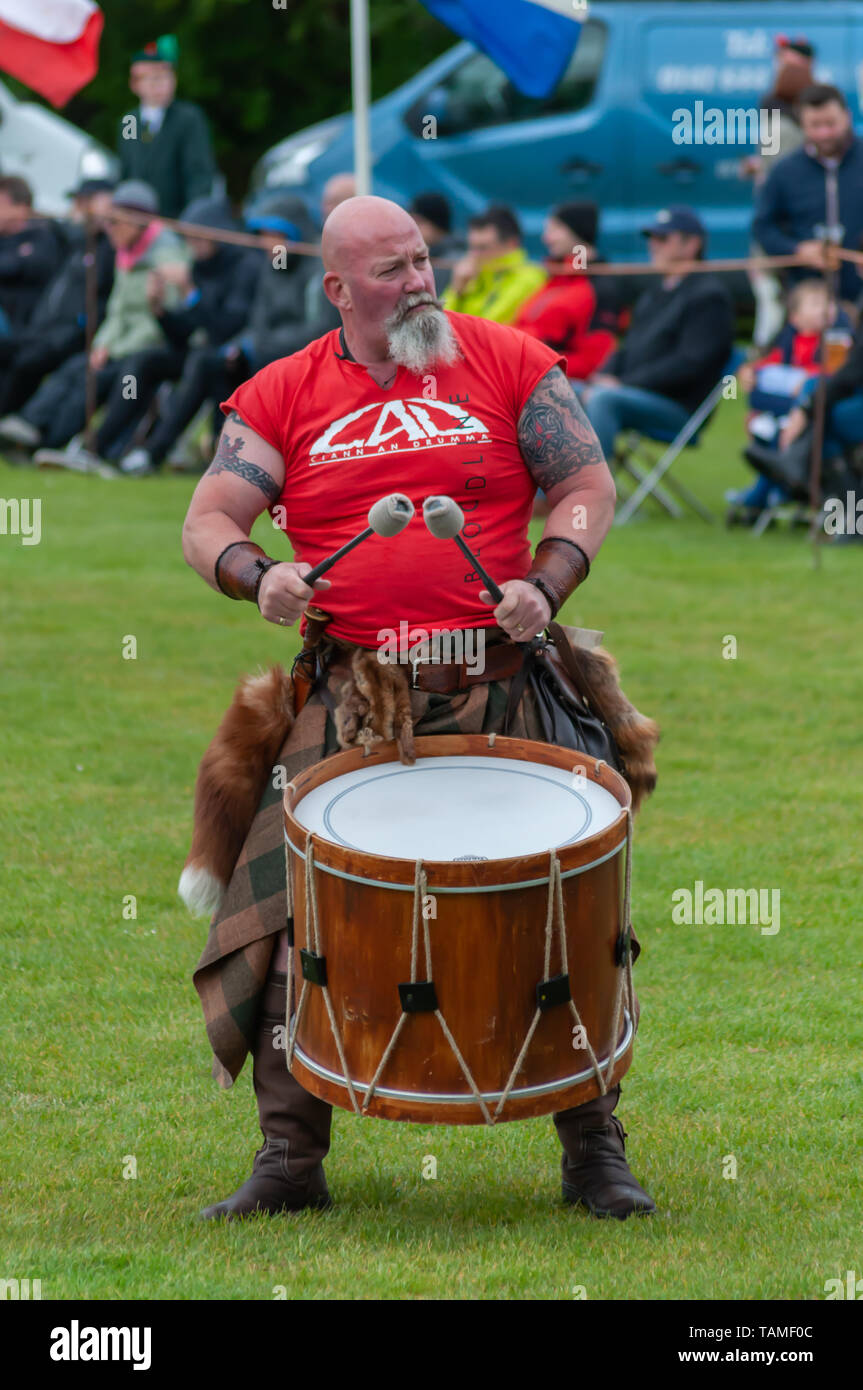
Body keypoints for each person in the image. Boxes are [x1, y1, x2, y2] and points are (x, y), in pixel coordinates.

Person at [181, 194, 657, 1223]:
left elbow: (584, 482)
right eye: (393, 270)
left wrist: (551, 574)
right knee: (283, 922)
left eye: (424, 259)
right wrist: (251, 572)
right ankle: (288, 1160)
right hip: (353, 694)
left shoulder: (508, 361)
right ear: (337, 289)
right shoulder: (281, 393)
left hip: (497, 678)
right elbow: (209, 514)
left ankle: (594, 1153)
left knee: (566, 914)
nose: (420, 282)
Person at [116, 195, 320, 476]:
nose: (266, 242)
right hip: (244, 356)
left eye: (275, 235)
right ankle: (116, 449)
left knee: (207, 363)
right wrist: (161, 311)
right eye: (263, 235)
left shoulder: (310, 270)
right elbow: (246, 325)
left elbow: (316, 332)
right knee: (152, 362)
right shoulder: (266, 268)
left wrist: (247, 345)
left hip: (293, 364)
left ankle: (164, 453)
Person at [29, 182, 188, 471]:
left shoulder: (167, 257)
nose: (109, 229)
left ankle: (88, 448)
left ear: (138, 221)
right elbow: (117, 311)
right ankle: (36, 430)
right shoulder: (126, 252)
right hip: (123, 346)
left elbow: (164, 321)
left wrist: (115, 350)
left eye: (114, 222)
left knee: (111, 378)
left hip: (154, 349)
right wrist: (103, 345)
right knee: (78, 368)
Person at [99, 196, 261, 476]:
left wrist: (190, 293)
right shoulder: (201, 266)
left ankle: (152, 453)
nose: (192, 245)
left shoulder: (245, 266)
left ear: (217, 235)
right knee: (144, 361)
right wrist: (160, 311)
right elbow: (183, 336)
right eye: (188, 238)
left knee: (200, 362)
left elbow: (226, 328)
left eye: (198, 238)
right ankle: (100, 446)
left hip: (237, 357)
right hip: (202, 352)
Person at [583, 207, 735, 460]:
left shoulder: (709, 296)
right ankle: (545, 495)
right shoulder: (654, 293)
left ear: (692, 244)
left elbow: (690, 364)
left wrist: (623, 384)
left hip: (676, 408)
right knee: (558, 392)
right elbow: (627, 347)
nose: (653, 246)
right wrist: (602, 376)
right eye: (652, 238)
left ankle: (591, 494)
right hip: (628, 392)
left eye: (663, 239)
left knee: (603, 399)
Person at [727, 280, 851, 521]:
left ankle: (763, 497)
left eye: (830, 302)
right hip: (783, 413)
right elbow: (770, 366)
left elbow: (836, 374)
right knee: (766, 430)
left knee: (778, 442)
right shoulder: (789, 341)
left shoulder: (838, 341)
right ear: (794, 317)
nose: (825, 308)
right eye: (816, 304)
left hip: (813, 415)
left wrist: (807, 380)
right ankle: (771, 493)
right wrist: (749, 372)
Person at [0, 179, 114, 433]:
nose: (78, 208)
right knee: (12, 353)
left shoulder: (108, 248)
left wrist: (105, 218)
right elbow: (62, 228)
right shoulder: (76, 242)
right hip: (42, 328)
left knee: (25, 362)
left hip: (71, 334)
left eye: (85, 202)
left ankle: (19, 423)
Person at [752, 84, 863, 310]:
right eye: (815, 125)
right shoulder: (785, 171)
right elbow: (763, 227)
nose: (824, 133)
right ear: (802, 124)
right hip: (807, 302)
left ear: (847, 117)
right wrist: (796, 249)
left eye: (831, 124)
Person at [741, 35, 817, 348]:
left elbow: (776, 172)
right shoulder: (794, 118)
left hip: (782, 227)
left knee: (773, 303)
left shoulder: (778, 118)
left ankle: (764, 357)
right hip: (790, 227)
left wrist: (761, 168)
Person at [513, 202, 623, 382]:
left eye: (555, 229)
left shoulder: (598, 286)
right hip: (526, 368)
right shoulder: (557, 277)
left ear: (576, 231)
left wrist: (535, 367)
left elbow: (594, 360)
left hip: (552, 379)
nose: (546, 238)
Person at [116, 35, 216, 220]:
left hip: (176, 220)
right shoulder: (129, 121)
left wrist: (193, 219)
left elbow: (199, 174)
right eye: (152, 79)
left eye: (165, 77)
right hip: (138, 223)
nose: (161, 85)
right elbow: (127, 170)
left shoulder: (189, 118)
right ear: (135, 85)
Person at [441, 205, 545, 323]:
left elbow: (490, 327)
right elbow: (439, 324)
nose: (474, 255)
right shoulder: (469, 275)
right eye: (472, 247)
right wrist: (456, 290)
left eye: (483, 248)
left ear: (512, 244)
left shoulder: (528, 278)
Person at [0, 176, 62, 333]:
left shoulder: (43, 238)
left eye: (1, 205)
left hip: (21, 328)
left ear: (21, 208)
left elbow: (15, 266)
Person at [407, 192, 464, 293]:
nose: (413, 228)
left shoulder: (455, 262)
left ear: (437, 224)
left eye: (419, 222)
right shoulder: (416, 256)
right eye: (410, 221)